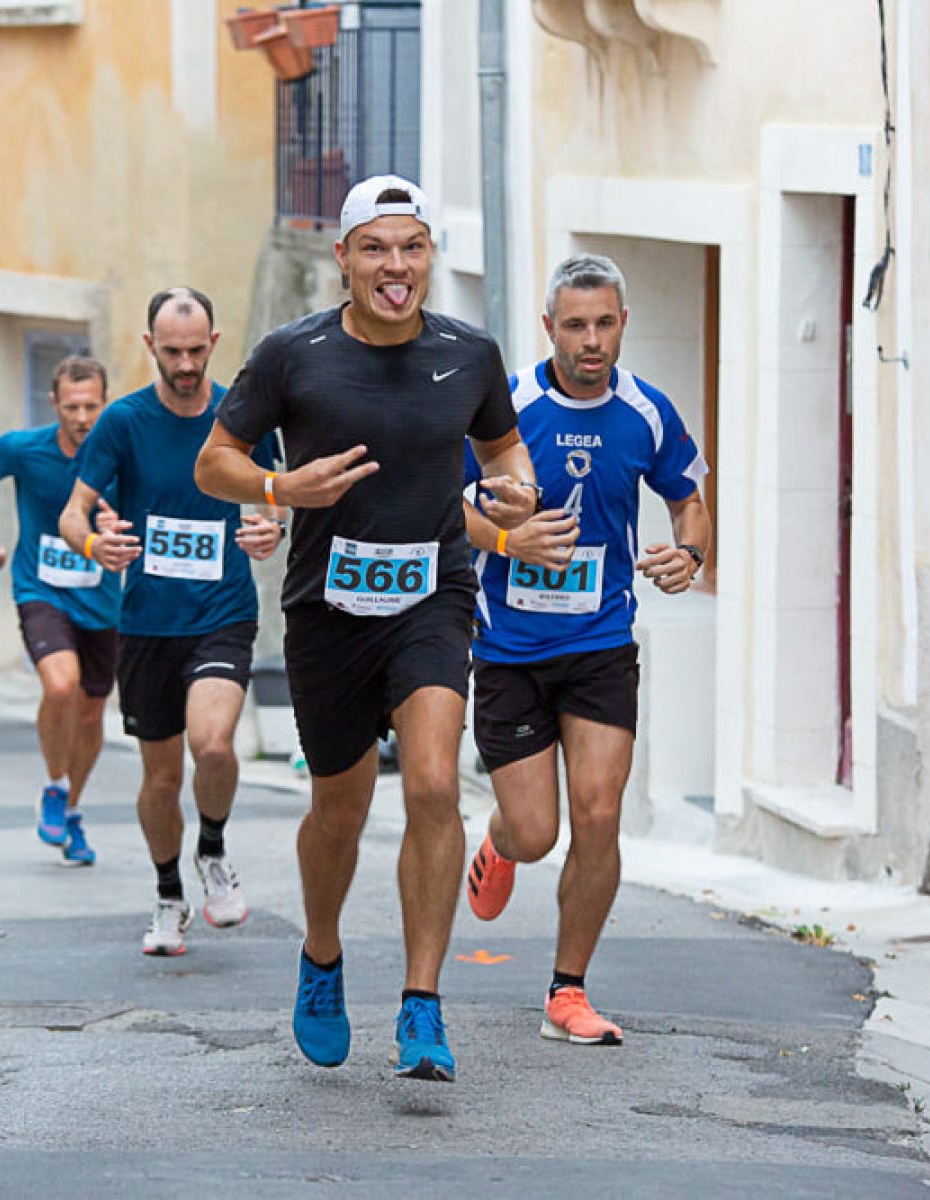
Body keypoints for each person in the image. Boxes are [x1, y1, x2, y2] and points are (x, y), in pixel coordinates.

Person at [195, 176, 538, 1082]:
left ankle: (423, 1003)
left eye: (412, 247)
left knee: (432, 785)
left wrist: (519, 488)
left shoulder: (470, 354)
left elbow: (505, 447)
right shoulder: (291, 354)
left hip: (434, 599)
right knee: (339, 808)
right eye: (377, 249)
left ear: (432, 256)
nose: (397, 267)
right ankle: (320, 955)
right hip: (327, 613)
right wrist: (282, 488)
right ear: (343, 259)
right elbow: (214, 462)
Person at [461, 253, 712, 1046]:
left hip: (602, 640)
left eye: (604, 323)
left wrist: (690, 554)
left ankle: (567, 991)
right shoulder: (510, 406)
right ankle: (499, 845)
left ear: (623, 324)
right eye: (575, 324)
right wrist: (509, 537)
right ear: (549, 329)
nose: (591, 340)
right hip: (509, 646)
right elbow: (446, 501)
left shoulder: (647, 411)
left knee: (599, 816)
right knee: (537, 832)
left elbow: (689, 497)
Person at [58, 288, 283, 957]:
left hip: (223, 612)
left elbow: (273, 500)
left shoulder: (242, 418)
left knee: (213, 745)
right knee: (160, 779)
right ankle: (167, 895)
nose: (185, 364)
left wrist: (270, 528)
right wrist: (98, 548)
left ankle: (211, 850)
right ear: (149, 346)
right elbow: (74, 514)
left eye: (196, 350)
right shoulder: (122, 423)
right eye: (172, 351)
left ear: (214, 343)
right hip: (149, 623)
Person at [0, 356, 121, 867]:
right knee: (59, 686)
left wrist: (120, 522)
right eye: (71, 406)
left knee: (93, 712)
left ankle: (71, 809)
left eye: (92, 405)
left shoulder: (120, 453)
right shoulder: (26, 449)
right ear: (54, 405)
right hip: (41, 589)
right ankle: (53, 785)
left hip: (104, 601)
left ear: (105, 401)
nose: (82, 417)